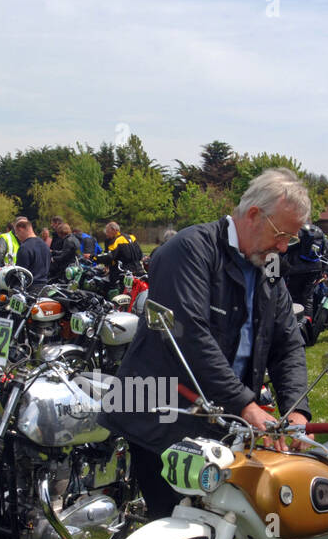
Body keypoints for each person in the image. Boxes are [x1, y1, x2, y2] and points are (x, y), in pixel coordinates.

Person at [99, 168, 313, 519]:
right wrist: (245, 404)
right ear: (254, 215)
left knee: (230, 524)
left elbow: (287, 342)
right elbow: (190, 336)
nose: (282, 247)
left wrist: (297, 412)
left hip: (221, 419)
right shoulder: (187, 250)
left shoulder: (270, 266)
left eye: (291, 239)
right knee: (178, 530)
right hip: (162, 415)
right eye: (280, 235)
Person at [102, 221, 144, 290]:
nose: (106, 234)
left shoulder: (116, 240)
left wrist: (97, 259)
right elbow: (140, 255)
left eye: (107, 232)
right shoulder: (132, 237)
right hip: (138, 270)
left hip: (123, 273)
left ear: (114, 230)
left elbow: (110, 257)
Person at [13, 216, 50, 286]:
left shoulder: (24, 248)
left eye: (16, 233)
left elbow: (21, 275)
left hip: (30, 290)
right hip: (44, 289)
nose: (17, 236)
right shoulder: (45, 246)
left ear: (20, 229)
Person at [48, 216, 82, 281]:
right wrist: (54, 252)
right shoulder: (74, 238)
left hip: (69, 266)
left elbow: (64, 257)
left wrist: (53, 258)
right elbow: (66, 252)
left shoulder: (68, 241)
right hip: (76, 264)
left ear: (61, 232)